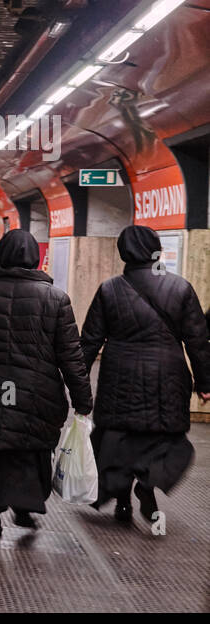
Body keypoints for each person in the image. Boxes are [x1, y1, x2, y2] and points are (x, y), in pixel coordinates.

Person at [0, 229, 93, 541]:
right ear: (36, 259)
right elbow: (71, 355)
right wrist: (82, 398)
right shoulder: (56, 300)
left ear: (1, 257)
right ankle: (24, 506)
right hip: (38, 393)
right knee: (31, 449)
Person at [79, 225, 210, 528]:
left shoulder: (109, 289)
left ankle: (122, 500)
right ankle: (147, 486)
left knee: (118, 440)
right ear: (157, 249)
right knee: (162, 438)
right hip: (167, 376)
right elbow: (197, 341)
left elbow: (89, 341)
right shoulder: (180, 288)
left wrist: (77, 382)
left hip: (118, 376)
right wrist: (204, 384)